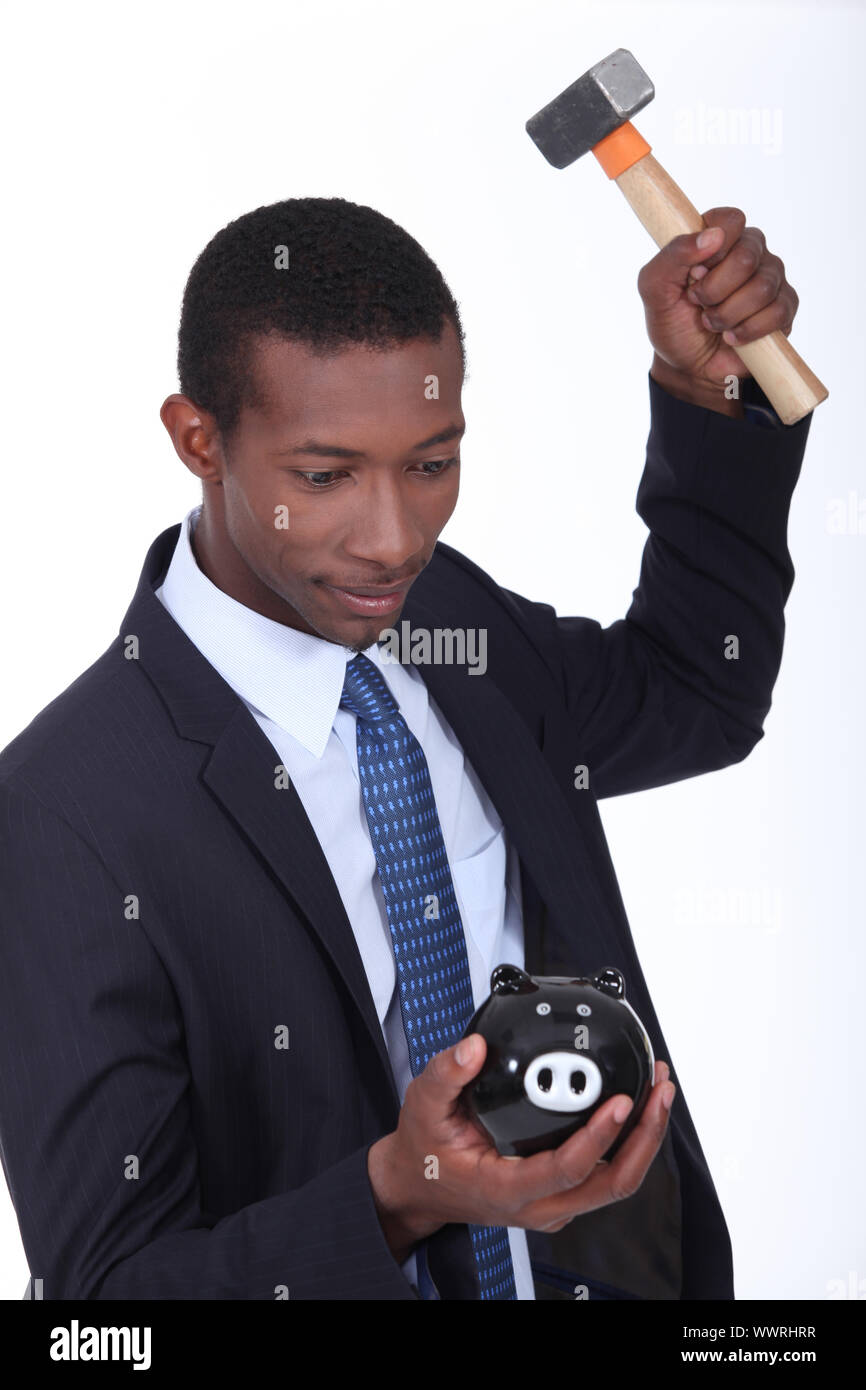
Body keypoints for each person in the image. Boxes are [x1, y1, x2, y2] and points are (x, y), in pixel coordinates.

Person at [0, 197, 812, 1300]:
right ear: (199, 439)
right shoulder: (64, 812)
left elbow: (694, 690)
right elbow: (106, 1307)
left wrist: (709, 390)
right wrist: (400, 1193)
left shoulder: (443, 621)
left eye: (430, 464)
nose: (393, 540)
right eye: (323, 477)